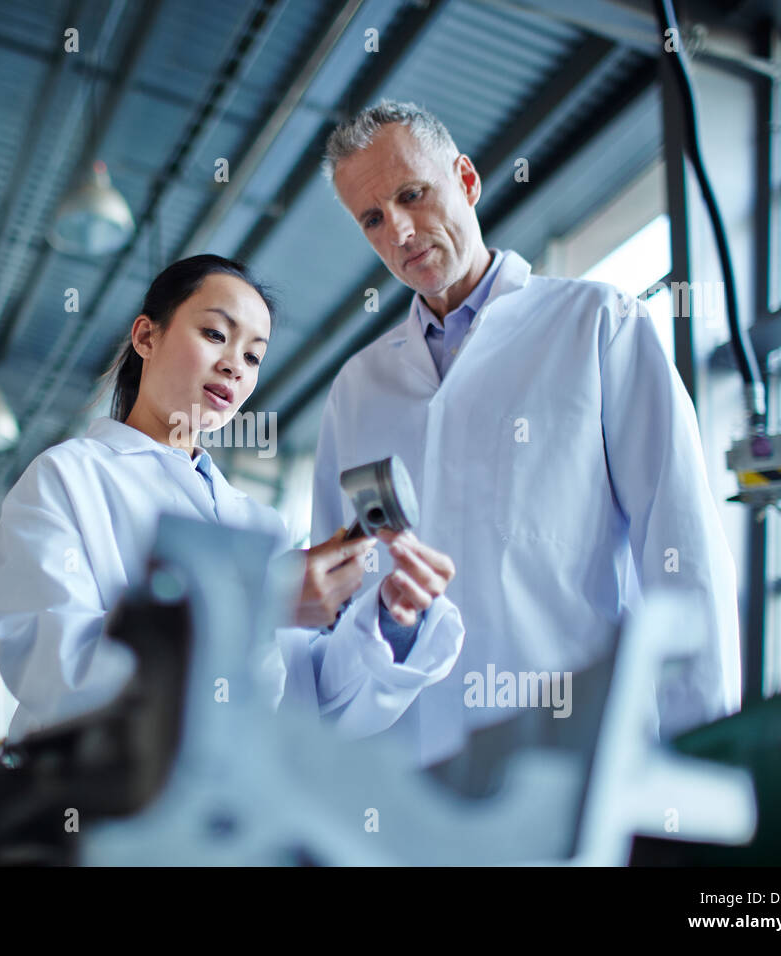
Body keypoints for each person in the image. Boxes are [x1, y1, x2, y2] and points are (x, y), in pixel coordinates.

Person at [315, 100, 740, 766]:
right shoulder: (359, 388)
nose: (398, 230)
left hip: (569, 760)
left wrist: (707, 758)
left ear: (467, 179)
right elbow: (335, 598)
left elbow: (681, 549)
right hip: (402, 779)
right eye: (372, 218)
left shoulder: (600, 326)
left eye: (412, 194)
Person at [0, 254, 464, 741]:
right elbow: (56, 671)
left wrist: (394, 622)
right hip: (99, 806)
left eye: (253, 356)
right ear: (146, 337)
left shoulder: (259, 524)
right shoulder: (69, 477)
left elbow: (304, 701)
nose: (234, 366)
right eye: (215, 335)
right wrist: (258, 603)